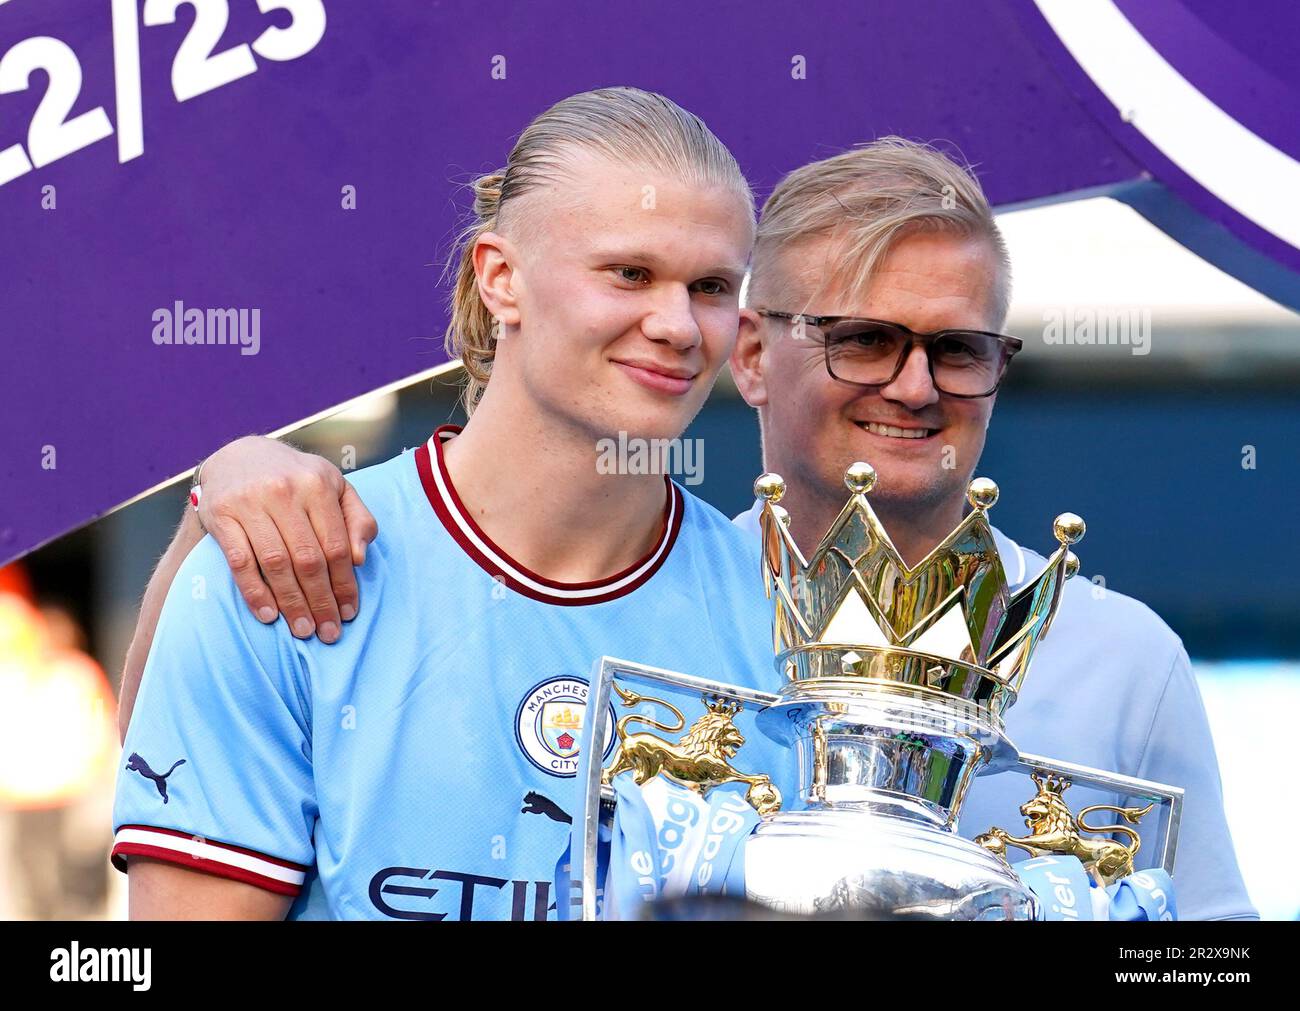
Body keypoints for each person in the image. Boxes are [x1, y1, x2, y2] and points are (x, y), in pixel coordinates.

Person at [118, 139, 1257, 921]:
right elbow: (185, 787)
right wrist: (214, 510)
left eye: (959, 349)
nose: (915, 385)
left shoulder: (1122, 655)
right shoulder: (684, 604)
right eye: (863, 339)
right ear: (752, 359)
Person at [112, 87, 788, 920]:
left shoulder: (786, 618)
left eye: (712, 286)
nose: (679, 325)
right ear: (501, 277)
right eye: (631, 273)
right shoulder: (283, 564)